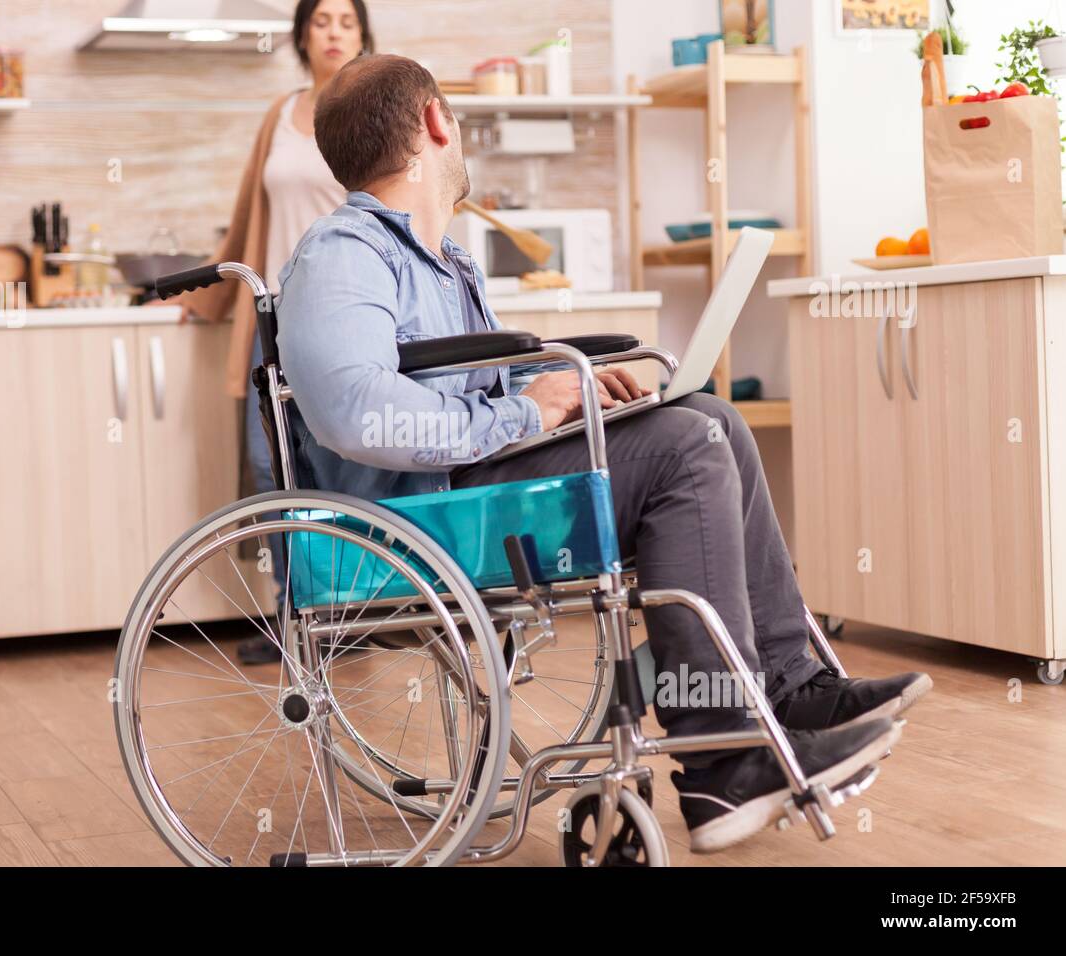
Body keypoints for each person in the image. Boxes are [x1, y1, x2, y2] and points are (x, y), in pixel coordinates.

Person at [272, 54, 933, 853]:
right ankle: (721, 758)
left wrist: (557, 383)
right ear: (436, 122)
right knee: (686, 448)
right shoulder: (342, 252)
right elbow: (354, 413)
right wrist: (522, 409)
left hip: (470, 488)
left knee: (709, 418)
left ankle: (790, 692)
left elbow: (463, 380)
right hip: (422, 517)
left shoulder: (444, 263)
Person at [162, 0, 375, 664]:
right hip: (271, 313)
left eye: (346, 20)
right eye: (321, 21)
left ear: (363, 33)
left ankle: (343, 616)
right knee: (271, 465)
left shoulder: (371, 108)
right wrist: (209, 295)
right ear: (302, 36)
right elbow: (247, 212)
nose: (334, 31)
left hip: (339, 310)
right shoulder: (280, 116)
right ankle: (296, 617)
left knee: (334, 463)